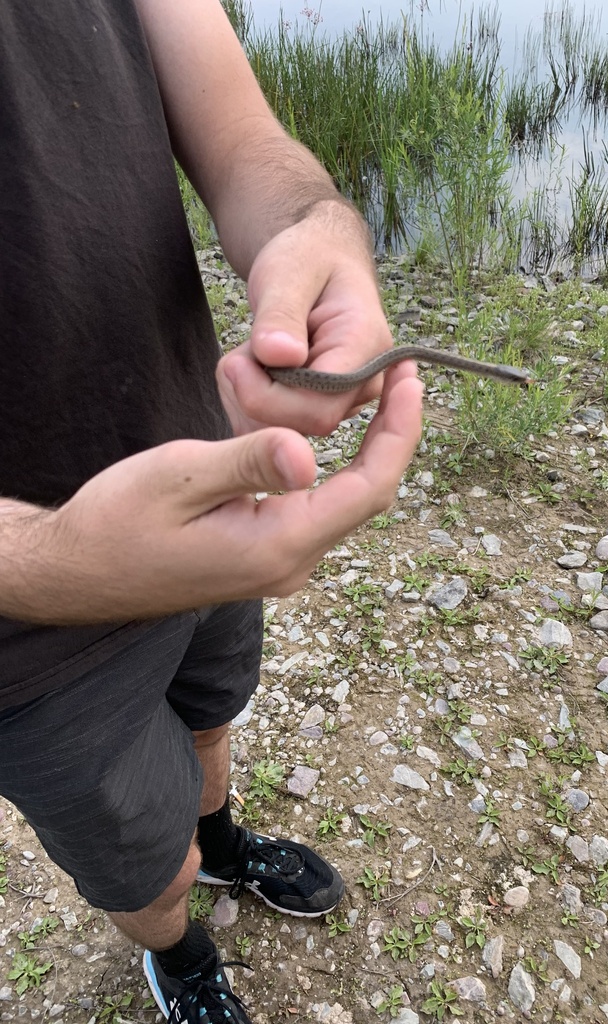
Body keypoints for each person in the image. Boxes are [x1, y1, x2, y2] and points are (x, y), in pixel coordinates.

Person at [0, 0, 423, 1020]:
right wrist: (50, 557)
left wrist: (314, 232)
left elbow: (245, 145)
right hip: (21, 646)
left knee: (210, 716)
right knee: (144, 861)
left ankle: (227, 842)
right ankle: (179, 952)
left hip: (206, 482)